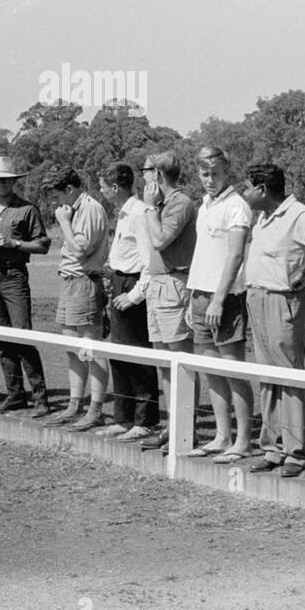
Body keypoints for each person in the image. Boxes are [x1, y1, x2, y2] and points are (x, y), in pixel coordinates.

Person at [240, 163, 305, 478]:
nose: (245, 192)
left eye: (248, 187)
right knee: (267, 376)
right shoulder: (263, 217)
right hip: (258, 298)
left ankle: (295, 451)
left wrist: (302, 270)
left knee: (290, 376)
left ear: (263, 189)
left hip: (283, 302)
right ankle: (272, 447)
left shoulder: (298, 214)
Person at [184, 146, 255, 461]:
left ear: (227, 171)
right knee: (211, 368)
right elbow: (203, 255)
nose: (209, 180)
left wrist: (217, 299)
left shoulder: (237, 206)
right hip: (199, 295)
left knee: (232, 369)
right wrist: (193, 297)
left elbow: (235, 255)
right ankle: (222, 435)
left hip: (225, 299)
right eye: (204, 173)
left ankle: (242, 440)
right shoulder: (205, 206)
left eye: (215, 173)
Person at [129, 151, 199, 448]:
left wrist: (150, 209)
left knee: (180, 360)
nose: (143, 177)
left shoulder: (179, 203)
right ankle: (173, 425)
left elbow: (160, 240)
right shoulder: (161, 205)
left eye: (146, 171)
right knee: (163, 362)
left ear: (157, 174)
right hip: (158, 284)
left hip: (173, 283)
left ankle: (186, 427)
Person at [0, 156, 52, 418]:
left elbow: (43, 245)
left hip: (14, 276)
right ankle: (15, 394)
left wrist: (14, 244)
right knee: (3, 338)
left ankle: (41, 398)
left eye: (6, 180)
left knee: (23, 336)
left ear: (13, 182)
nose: (2, 184)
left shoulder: (27, 210)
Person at [41, 166, 111, 430]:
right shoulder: (73, 210)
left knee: (90, 348)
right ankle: (75, 404)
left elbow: (81, 249)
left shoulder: (90, 209)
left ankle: (95, 408)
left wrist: (65, 223)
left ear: (69, 190)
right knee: (72, 347)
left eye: (56, 196)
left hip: (84, 282)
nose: (54, 203)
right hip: (69, 282)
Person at [96, 162, 159, 438]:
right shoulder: (123, 214)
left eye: (102, 186)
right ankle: (123, 416)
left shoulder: (140, 214)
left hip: (133, 287)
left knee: (138, 356)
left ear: (114, 187)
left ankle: (145, 420)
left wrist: (134, 296)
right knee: (119, 354)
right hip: (120, 282)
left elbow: (149, 262)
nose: (100, 192)